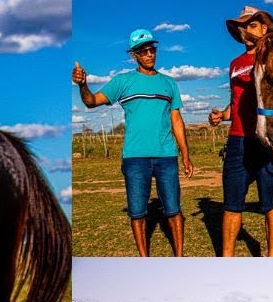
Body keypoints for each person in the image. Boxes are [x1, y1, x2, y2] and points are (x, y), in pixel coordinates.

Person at [74, 29, 195, 256]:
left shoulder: (169, 83)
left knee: (173, 210)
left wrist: (185, 155)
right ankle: (143, 258)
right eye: (143, 51)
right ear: (134, 56)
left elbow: (177, 120)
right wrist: (83, 85)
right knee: (138, 213)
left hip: (166, 156)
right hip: (135, 157)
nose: (150, 54)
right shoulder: (122, 82)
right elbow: (91, 102)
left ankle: (180, 257)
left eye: (152, 49)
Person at [208, 6, 273, 257]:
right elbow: (236, 103)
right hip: (237, 140)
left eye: (251, 25)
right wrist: (223, 114)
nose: (245, 30)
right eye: (242, 26)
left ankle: (271, 257)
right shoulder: (234, 64)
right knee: (231, 204)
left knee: (269, 201)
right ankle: (227, 258)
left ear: (264, 28)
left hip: (264, 139)